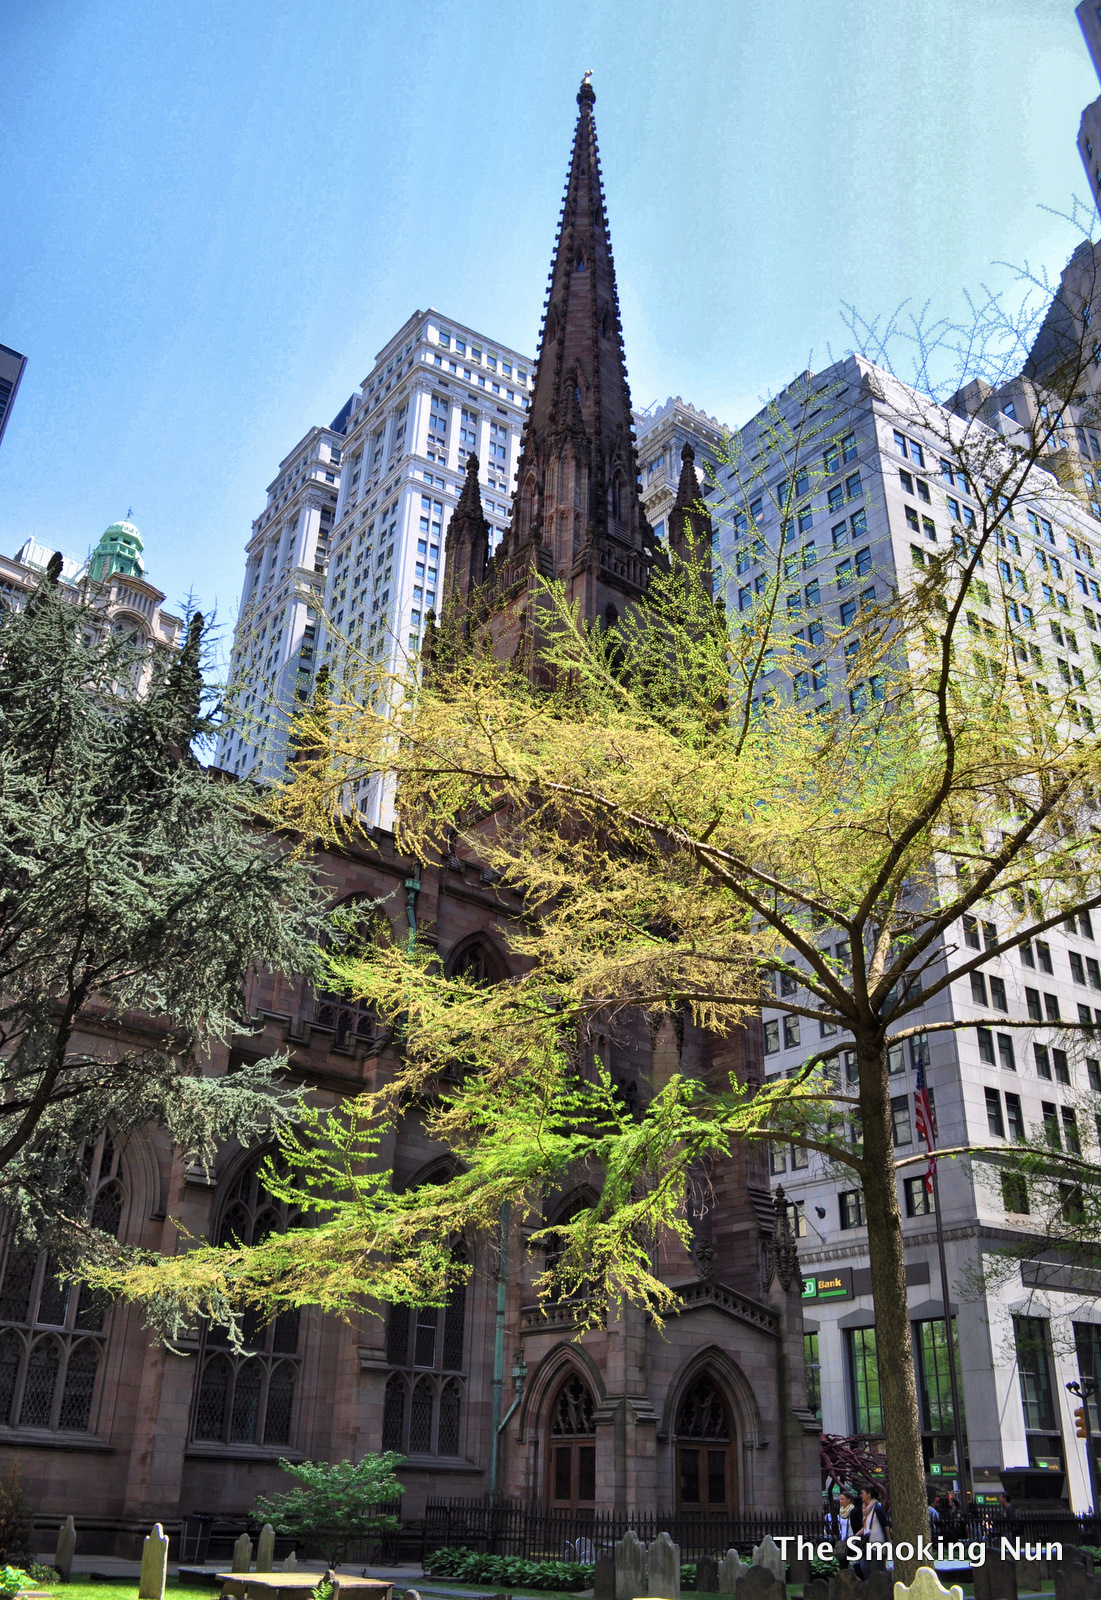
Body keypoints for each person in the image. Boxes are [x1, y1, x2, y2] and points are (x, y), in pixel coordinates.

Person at [858, 1485, 889, 1577]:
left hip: (878, 1542)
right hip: (868, 1542)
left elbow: (885, 1524)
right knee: (863, 1565)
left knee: (878, 1567)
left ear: (869, 1495)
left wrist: (888, 1540)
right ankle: (869, 1584)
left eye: (862, 1493)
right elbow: (865, 1527)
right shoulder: (864, 1510)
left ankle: (879, 1585)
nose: (861, 1495)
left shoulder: (877, 1508)